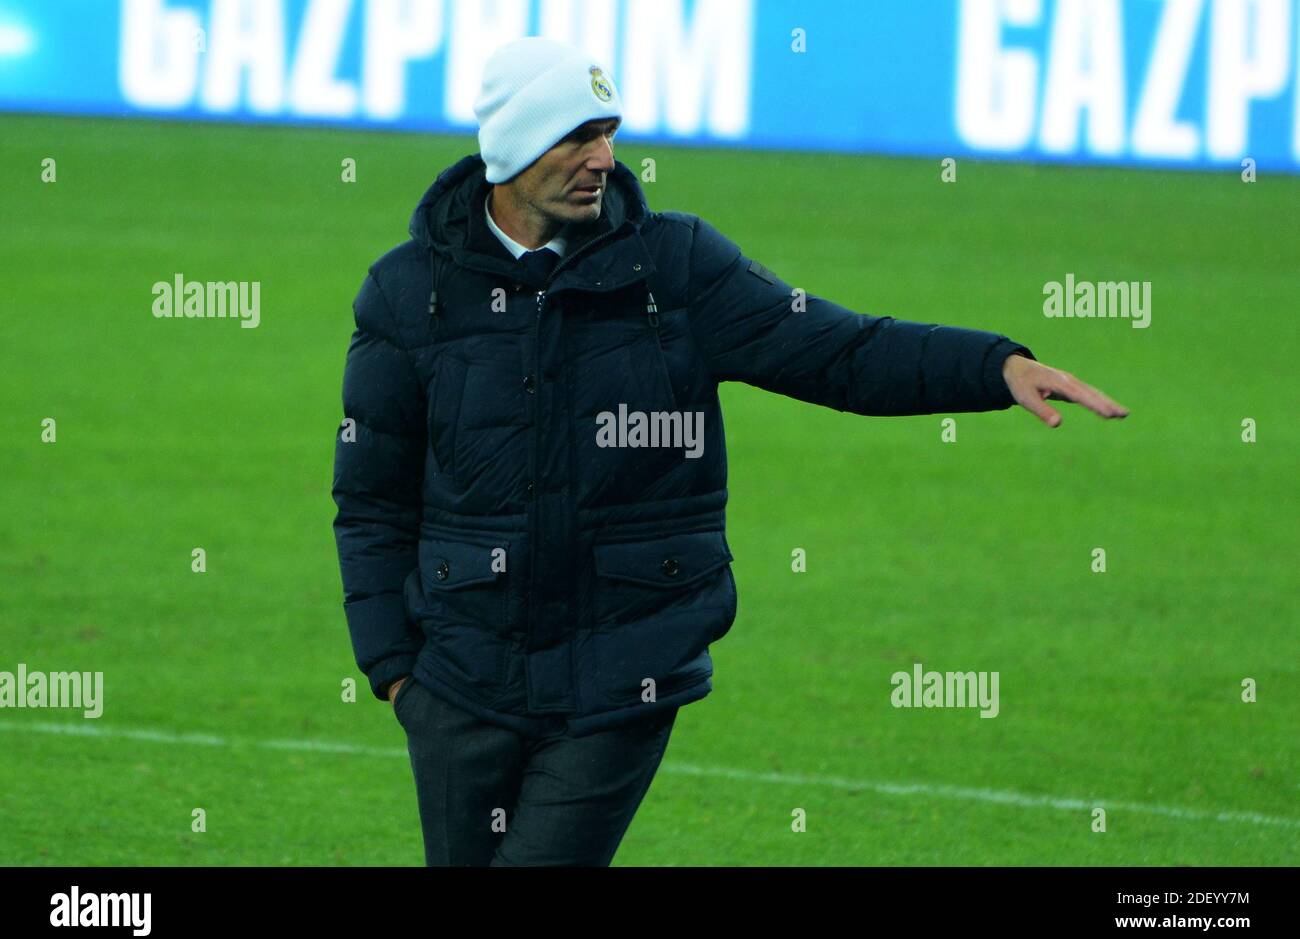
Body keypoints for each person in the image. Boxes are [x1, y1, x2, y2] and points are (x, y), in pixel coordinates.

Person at [331, 36, 1129, 867]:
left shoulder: (674, 268)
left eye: (609, 131)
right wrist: (396, 672)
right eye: (578, 136)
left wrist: (992, 366)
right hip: (461, 686)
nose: (604, 157)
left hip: (622, 675)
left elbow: (839, 352)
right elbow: (371, 497)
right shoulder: (406, 292)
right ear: (513, 146)